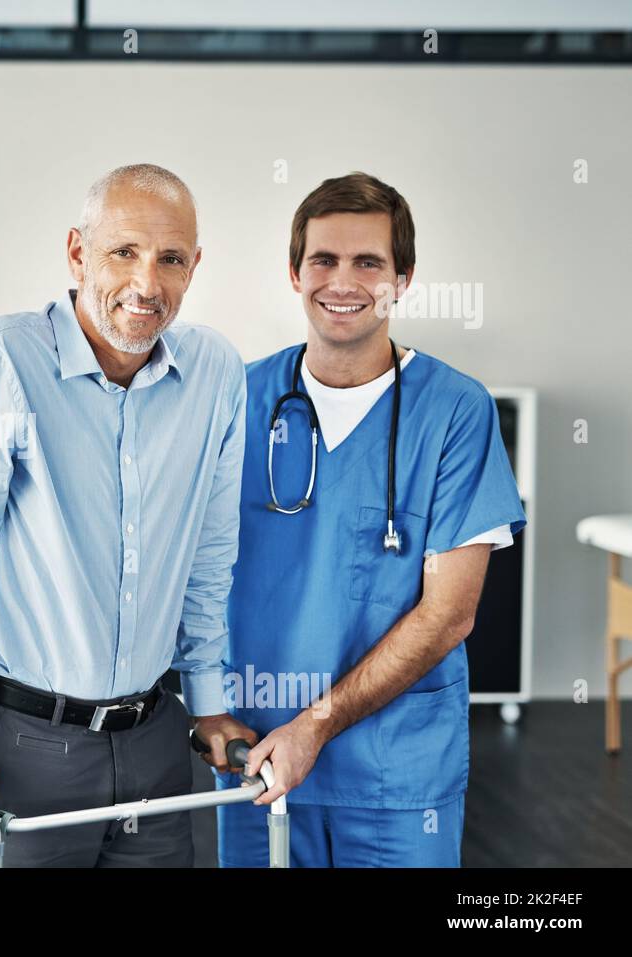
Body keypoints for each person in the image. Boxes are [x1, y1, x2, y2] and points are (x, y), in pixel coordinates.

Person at [0, 163, 256, 867]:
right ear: (77, 253)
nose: (147, 284)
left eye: (170, 259)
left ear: (195, 266)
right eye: (123, 251)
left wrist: (210, 698)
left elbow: (210, 553)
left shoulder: (217, 371)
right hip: (28, 748)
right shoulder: (0, 360)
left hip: (157, 742)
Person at [217, 172, 526, 867]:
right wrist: (205, 701)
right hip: (257, 761)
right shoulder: (238, 398)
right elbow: (192, 565)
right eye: (323, 259)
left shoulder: (454, 411)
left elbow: (449, 612)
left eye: (369, 262)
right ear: (294, 272)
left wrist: (317, 724)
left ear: (403, 279)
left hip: (396, 774)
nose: (343, 280)